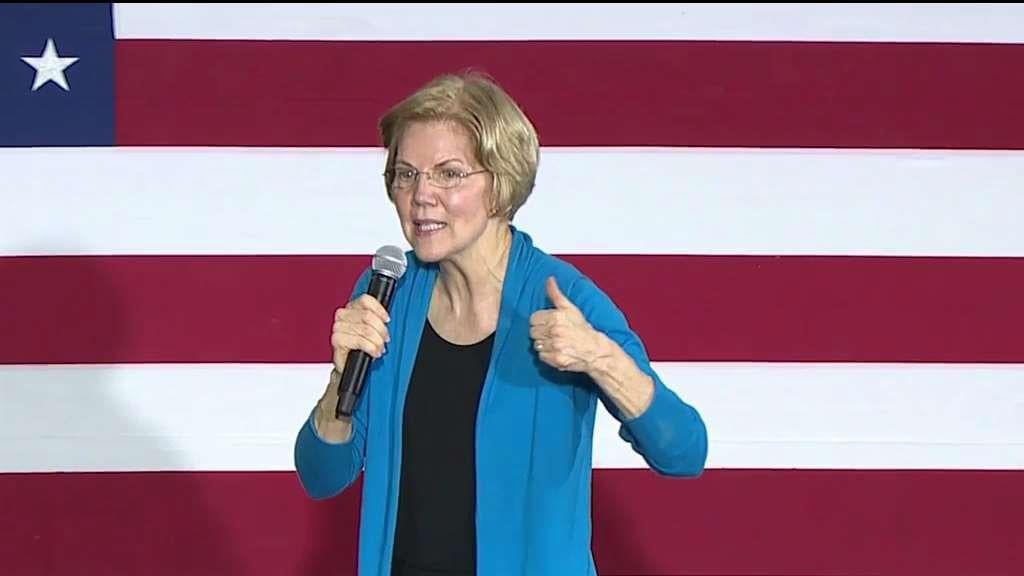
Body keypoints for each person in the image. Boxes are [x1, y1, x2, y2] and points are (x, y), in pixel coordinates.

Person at [294, 71, 708, 576]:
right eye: (406, 175)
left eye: (448, 173)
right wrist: (341, 383)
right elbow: (323, 475)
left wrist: (600, 359)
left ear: (501, 182)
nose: (421, 195)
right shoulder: (387, 292)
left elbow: (684, 451)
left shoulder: (563, 297)